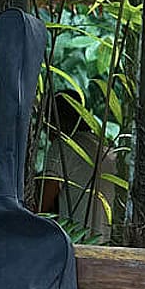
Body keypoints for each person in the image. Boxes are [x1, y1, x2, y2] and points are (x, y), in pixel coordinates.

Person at [38, 91, 117, 243]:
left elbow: (43, 204)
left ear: (54, 121)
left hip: (75, 242)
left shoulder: (63, 146)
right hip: (105, 244)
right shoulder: (106, 150)